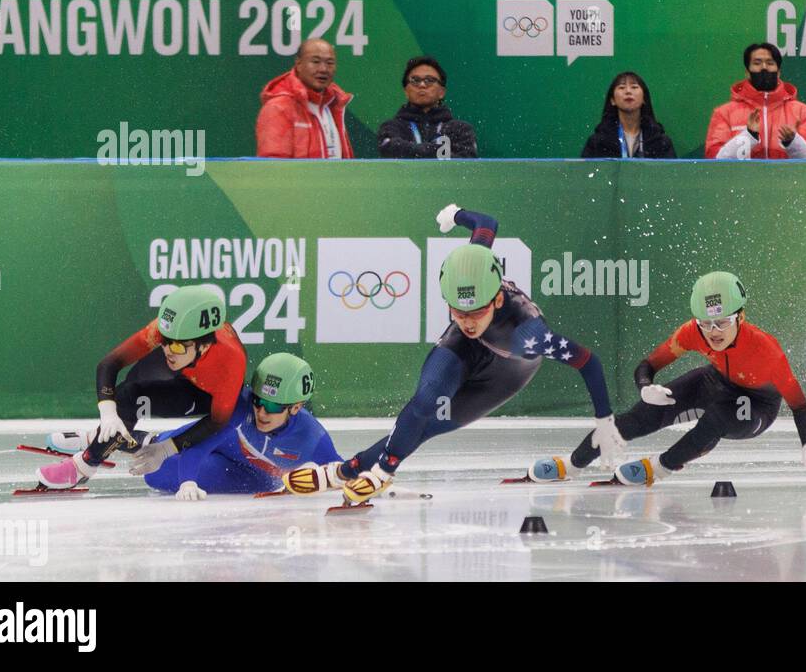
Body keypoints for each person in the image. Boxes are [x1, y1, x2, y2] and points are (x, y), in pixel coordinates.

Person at [282, 204, 624, 504]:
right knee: (424, 401)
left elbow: (588, 361)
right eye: (457, 312)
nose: (468, 321)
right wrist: (456, 214)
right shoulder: (472, 267)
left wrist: (604, 420)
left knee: (430, 426)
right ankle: (357, 471)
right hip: (465, 349)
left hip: (509, 370)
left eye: (475, 312)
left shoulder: (530, 335)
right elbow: (487, 223)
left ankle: (353, 469)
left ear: (498, 300)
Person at [522, 271, 806, 489]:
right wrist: (646, 389)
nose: (713, 332)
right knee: (638, 418)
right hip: (714, 382)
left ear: (741, 317)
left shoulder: (767, 351)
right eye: (706, 323)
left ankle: (660, 467)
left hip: (757, 405)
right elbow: (648, 364)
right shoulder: (691, 333)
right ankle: (571, 464)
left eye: (722, 322)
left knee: (717, 419)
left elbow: (801, 406)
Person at [34, 286, 248, 490]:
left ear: (204, 345)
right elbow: (110, 363)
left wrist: (166, 449)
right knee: (129, 392)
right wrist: (108, 413)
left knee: (134, 398)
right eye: (163, 341)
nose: (167, 350)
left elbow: (218, 421)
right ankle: (103, 436)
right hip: (185, 368)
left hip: (203, 393)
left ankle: (84, 465)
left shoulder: (231, 361)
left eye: (176, 345)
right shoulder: (174, 336)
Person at [125, 353, 342, 500]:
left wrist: (368, 482)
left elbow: (344, 470)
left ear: (295, 408)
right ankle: (128, 440)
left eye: (272, 406)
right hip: (223, 441)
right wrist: (187, 482)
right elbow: (199, 445)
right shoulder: (241, 407)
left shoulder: (312, 436)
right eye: (258, 401)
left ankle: (144, 441)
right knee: (158, 446)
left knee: (155, 475)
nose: (261, 412)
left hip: (248, 474)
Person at [705, 42, 806, 160]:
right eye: (757, 63)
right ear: (747, 72)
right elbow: (714, 161)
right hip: (741, 179)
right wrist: (749, 135)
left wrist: (793, 142)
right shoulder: (724, 113)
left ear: (778, 72)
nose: (764, 67)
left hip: (788, 179)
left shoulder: (802, 111)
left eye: (770, 63)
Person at [255, 38, 354, 159]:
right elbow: (274, 169)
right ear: (298, 64)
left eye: (330, 63)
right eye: (316, 61)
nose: (323, 69)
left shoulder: (335, 104)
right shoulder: (278, 108)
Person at [377, 56, 478, 159]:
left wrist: (412, 150)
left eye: (429, 80)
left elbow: (465, 165)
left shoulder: (460, 129)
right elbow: (391, 151)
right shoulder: (391, 127)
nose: (422, 85)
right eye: (415, 80)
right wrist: (440, 150)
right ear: (406, 91)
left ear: (442, 92)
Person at [580, 71, 676, 159]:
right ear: (612, 100)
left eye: (634, 87)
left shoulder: (660, 141)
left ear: (644, 99)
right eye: (621, 87)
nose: (628, 91)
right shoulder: (597, 142)